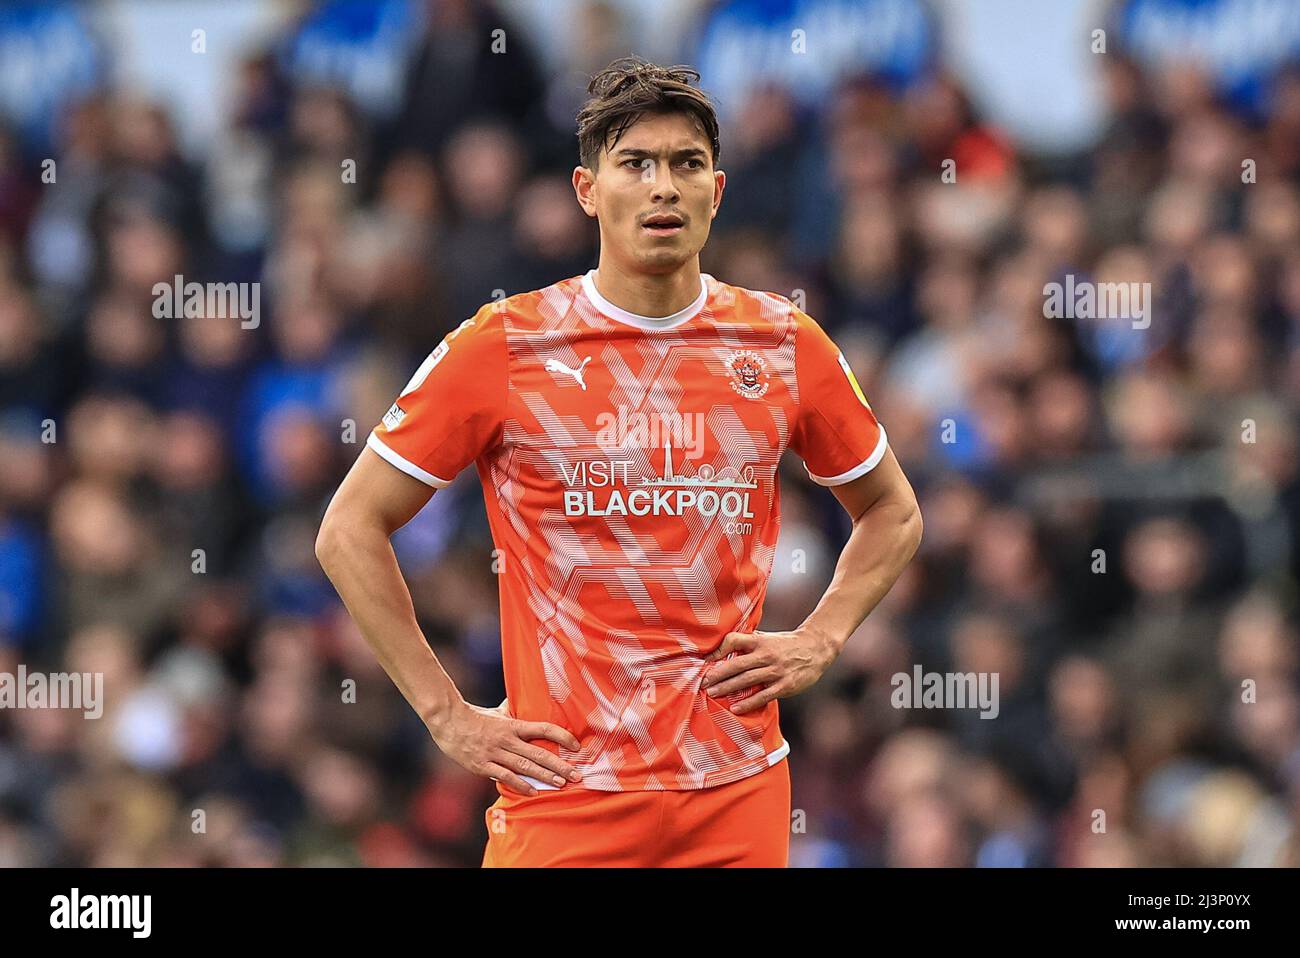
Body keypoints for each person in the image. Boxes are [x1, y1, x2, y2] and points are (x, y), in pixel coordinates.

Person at [315, 57, 923, 867]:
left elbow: (895, 510)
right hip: (566, 797)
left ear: (718, 189)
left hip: (735, 795)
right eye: (635, 163)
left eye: (686, 164)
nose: (663, 186)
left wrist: (822, 637)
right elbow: (348, 528)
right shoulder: (505, 344)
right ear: (587, 190)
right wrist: (445, 714)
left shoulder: (783, 344)